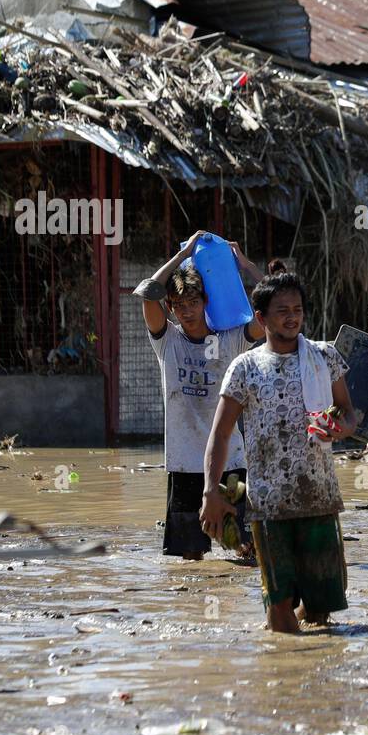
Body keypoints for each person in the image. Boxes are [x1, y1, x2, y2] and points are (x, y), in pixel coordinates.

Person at [199, 273, 358, 633]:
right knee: (279, 612)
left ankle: (306, 679)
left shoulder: (324, 357)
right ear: (261, 319)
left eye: (298, 310)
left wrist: (342, 427)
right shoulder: (245, 368)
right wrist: (211, 491)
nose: (292, 317)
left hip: (319, 498)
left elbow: (349, 413)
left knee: (321, 612)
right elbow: (220, 435)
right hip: (269, 506)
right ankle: (280, 680)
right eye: (282, 310)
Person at [137, 231, 264, 560]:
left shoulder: (231, 339)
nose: (186, 311)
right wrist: (183, 256)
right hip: (184, 465)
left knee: (245, 552)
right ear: (172, 308)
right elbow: (147, 294)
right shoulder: (168, 341)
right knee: (190, 561)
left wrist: (247, 267)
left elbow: (274, 314)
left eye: (193, 302)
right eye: (179, 305)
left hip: (231, 464)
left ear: (206, 302)